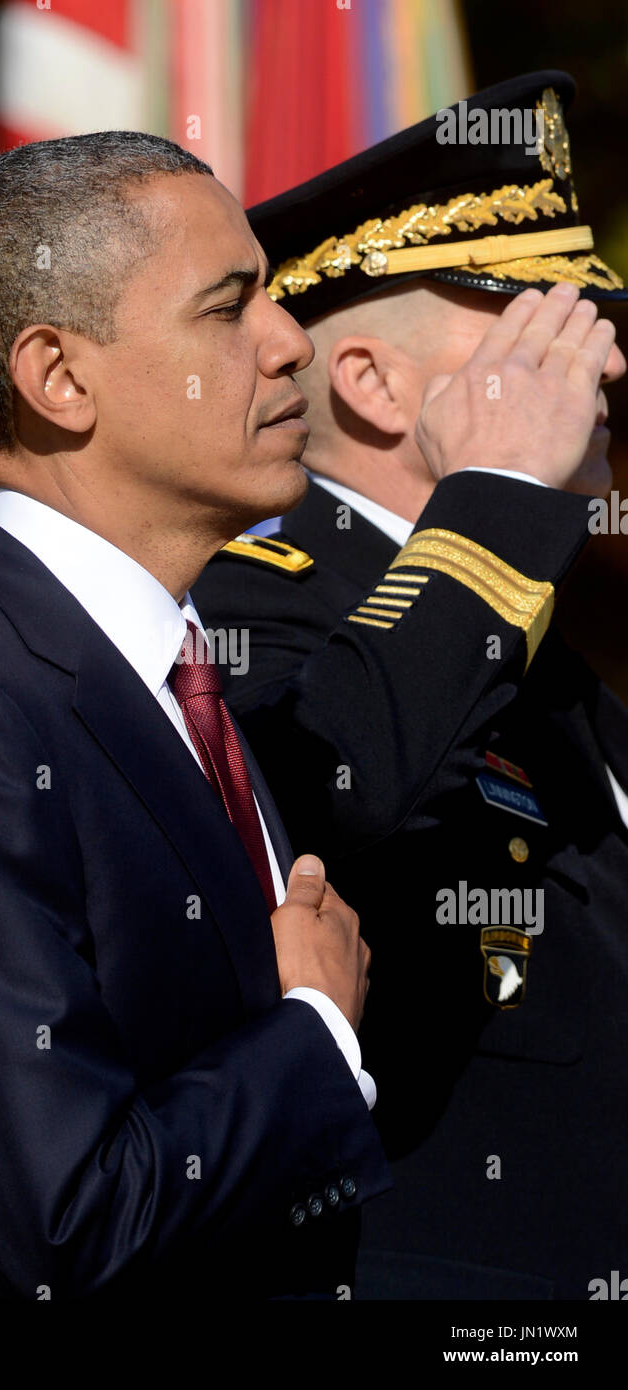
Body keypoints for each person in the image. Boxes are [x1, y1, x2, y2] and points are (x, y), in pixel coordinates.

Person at [0, 125, 608, 1303]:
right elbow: (63, 1228)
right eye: (228, 308)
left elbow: (361, 750)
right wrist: (315, 1032)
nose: (287, 344)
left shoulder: (174, 679)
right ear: (59, 377)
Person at [192, 71, 628, 1299]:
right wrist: (495, 503)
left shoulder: (533, 646)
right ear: (373, 386)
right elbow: (327, 792)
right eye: (531, 325)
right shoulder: (243, 601)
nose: (596, 361)